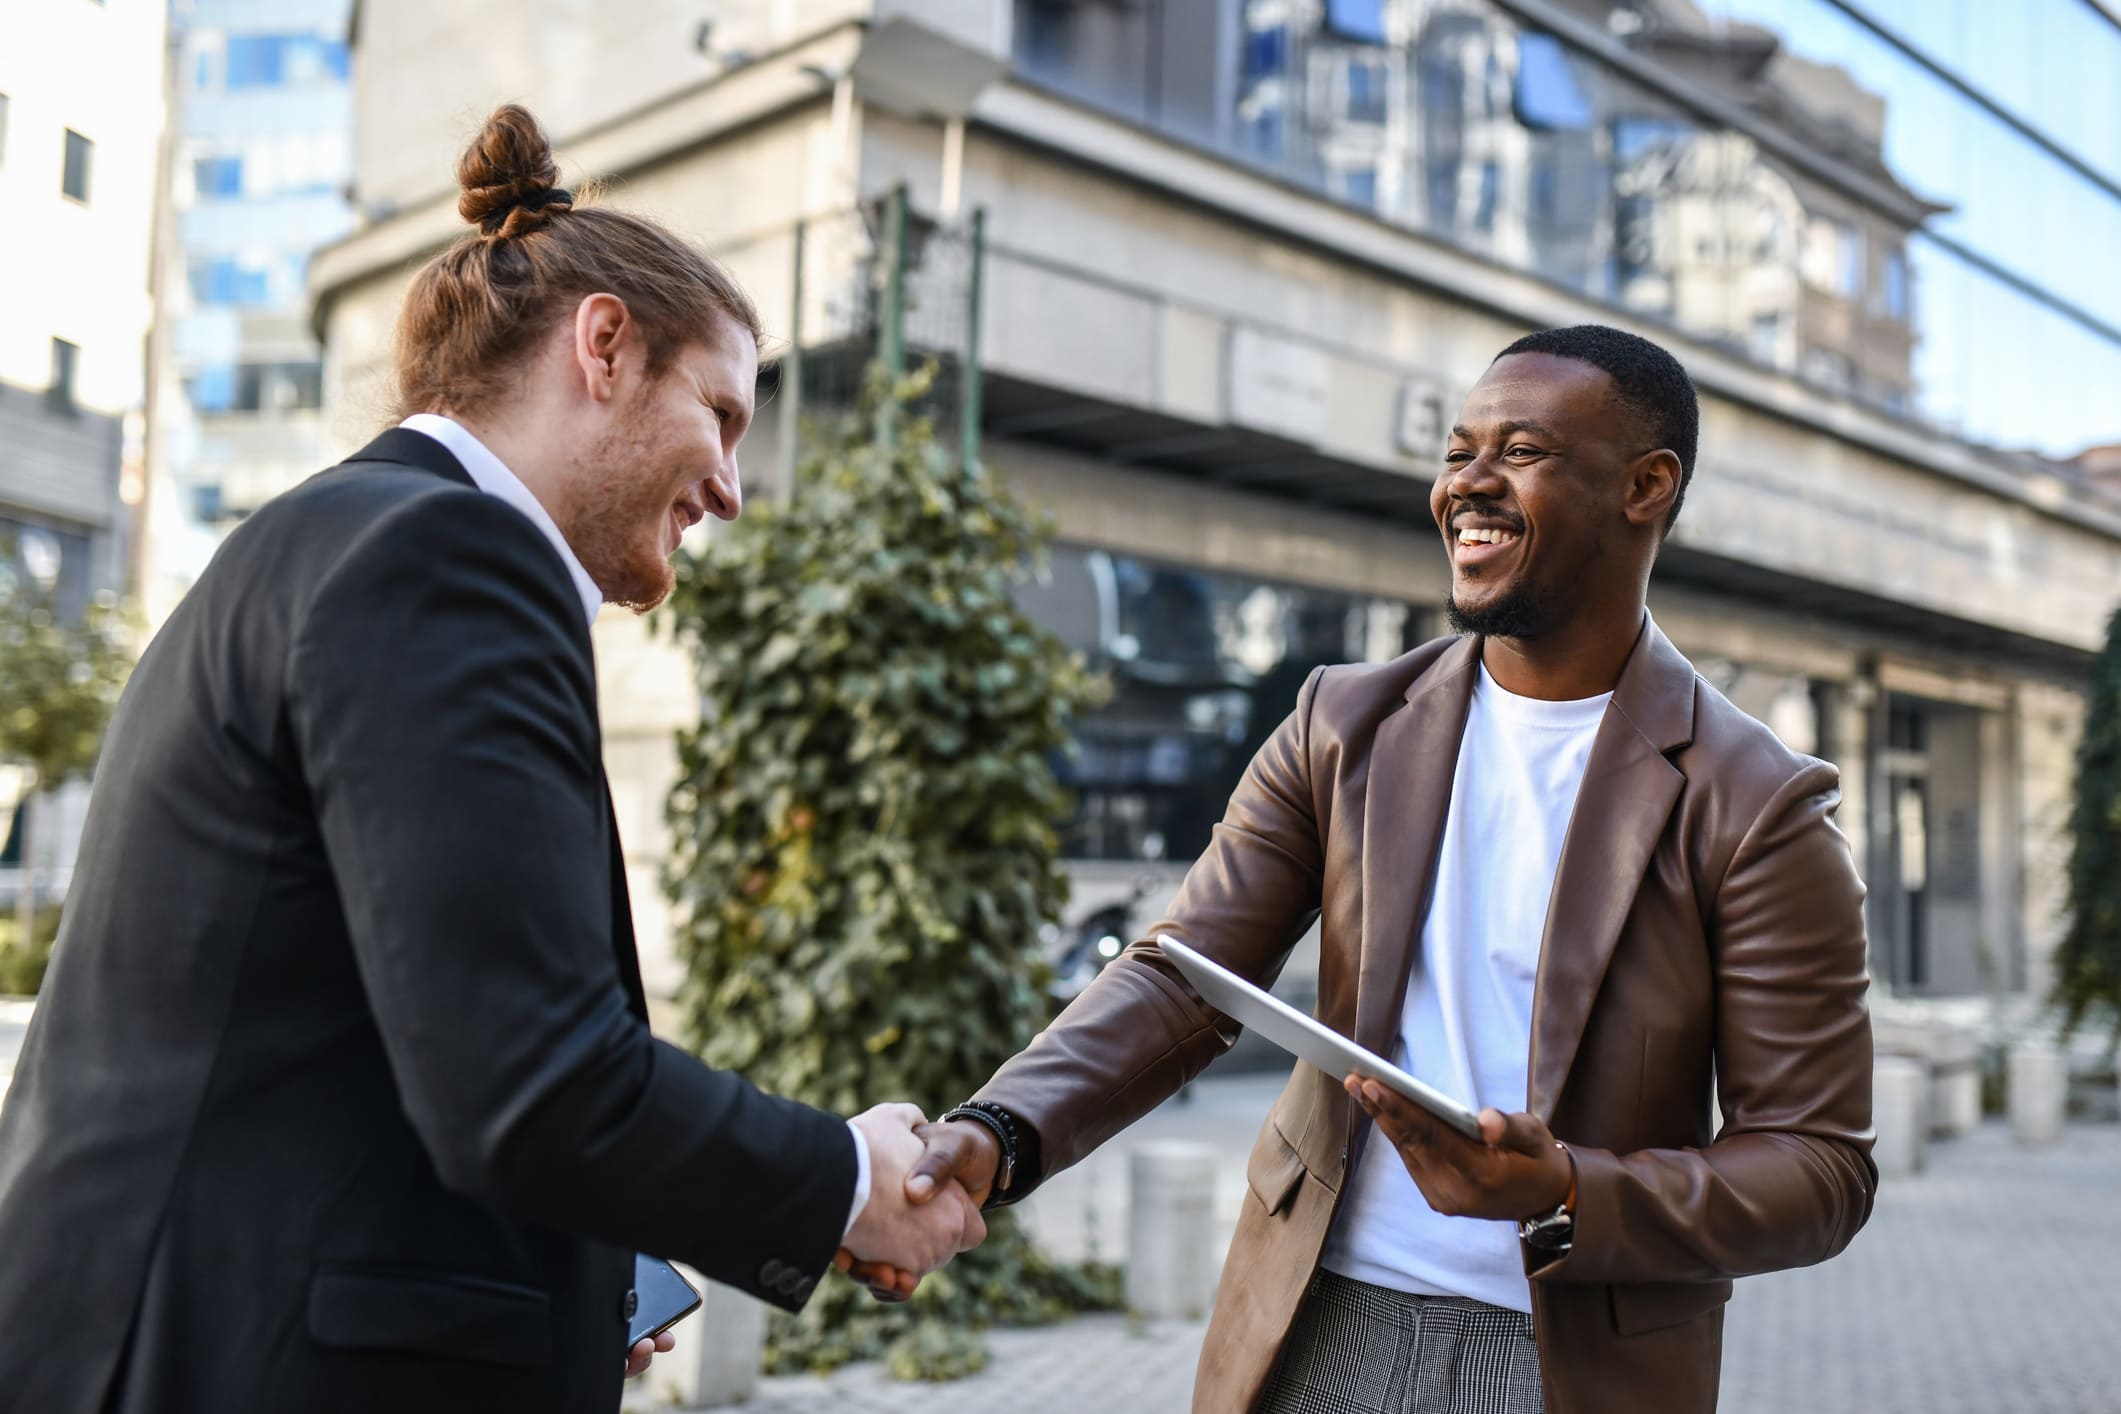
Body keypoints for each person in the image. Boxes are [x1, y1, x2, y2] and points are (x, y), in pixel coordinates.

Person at [0, 105, 979, 1414]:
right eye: (723, 413)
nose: (733, 486)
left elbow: (389, 1039)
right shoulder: (448, 558)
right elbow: (532, 1078)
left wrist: (579, 1285)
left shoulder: (332, 534)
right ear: (606, 345)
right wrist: (843, 1179)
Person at [849, 325, 1877, 1413]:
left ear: (1646, 488)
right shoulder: (1342, 723)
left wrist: (1572, 1187)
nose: (1466, 487)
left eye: (1519, 452)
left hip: (1571, 1355)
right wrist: (999, 1130)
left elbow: (1818, 1165)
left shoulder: (1759, 803)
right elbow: (1180, 974)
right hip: (1311, 1313)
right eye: (1455, 452)